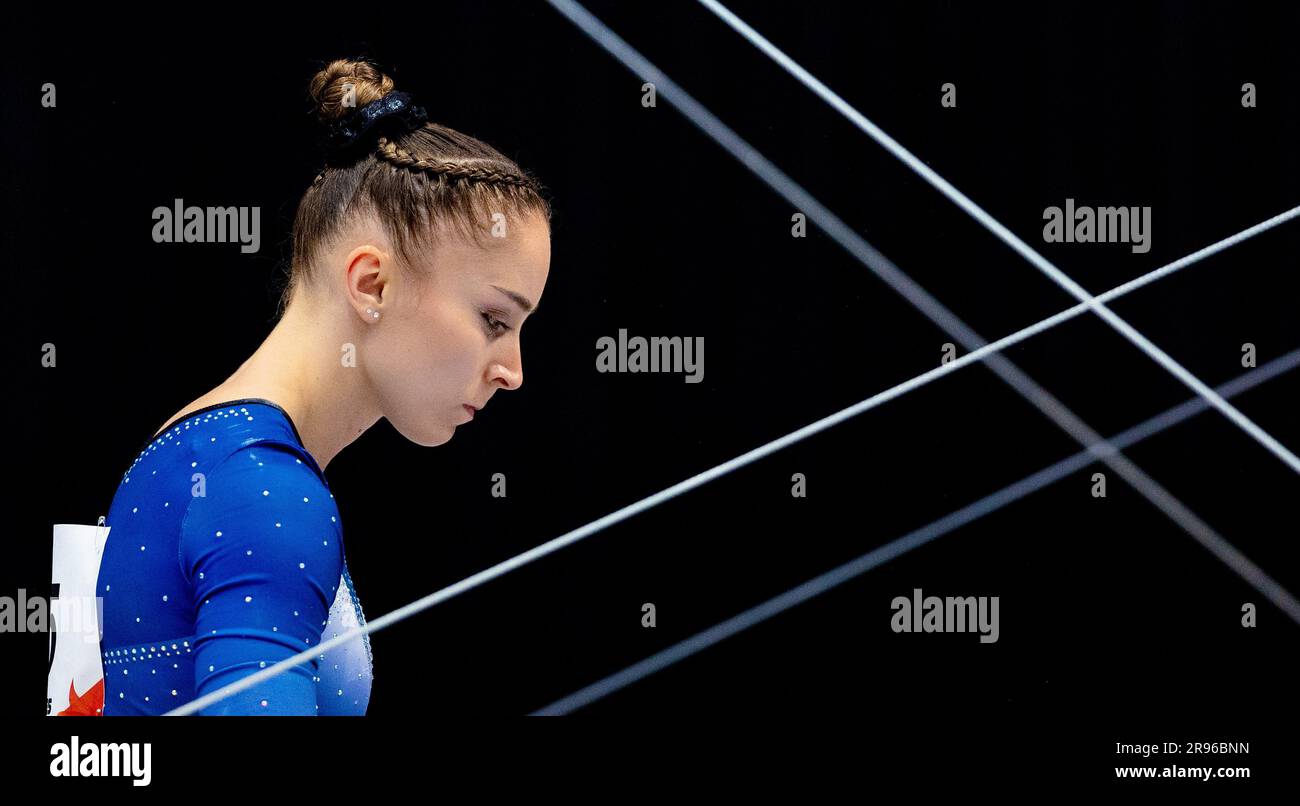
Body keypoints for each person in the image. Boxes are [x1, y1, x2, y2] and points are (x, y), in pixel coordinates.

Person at [95, 57, 553, 715]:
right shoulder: (262, 486)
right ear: (371, 284)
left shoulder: (208, 452)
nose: (513, 371)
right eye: (494, 320)